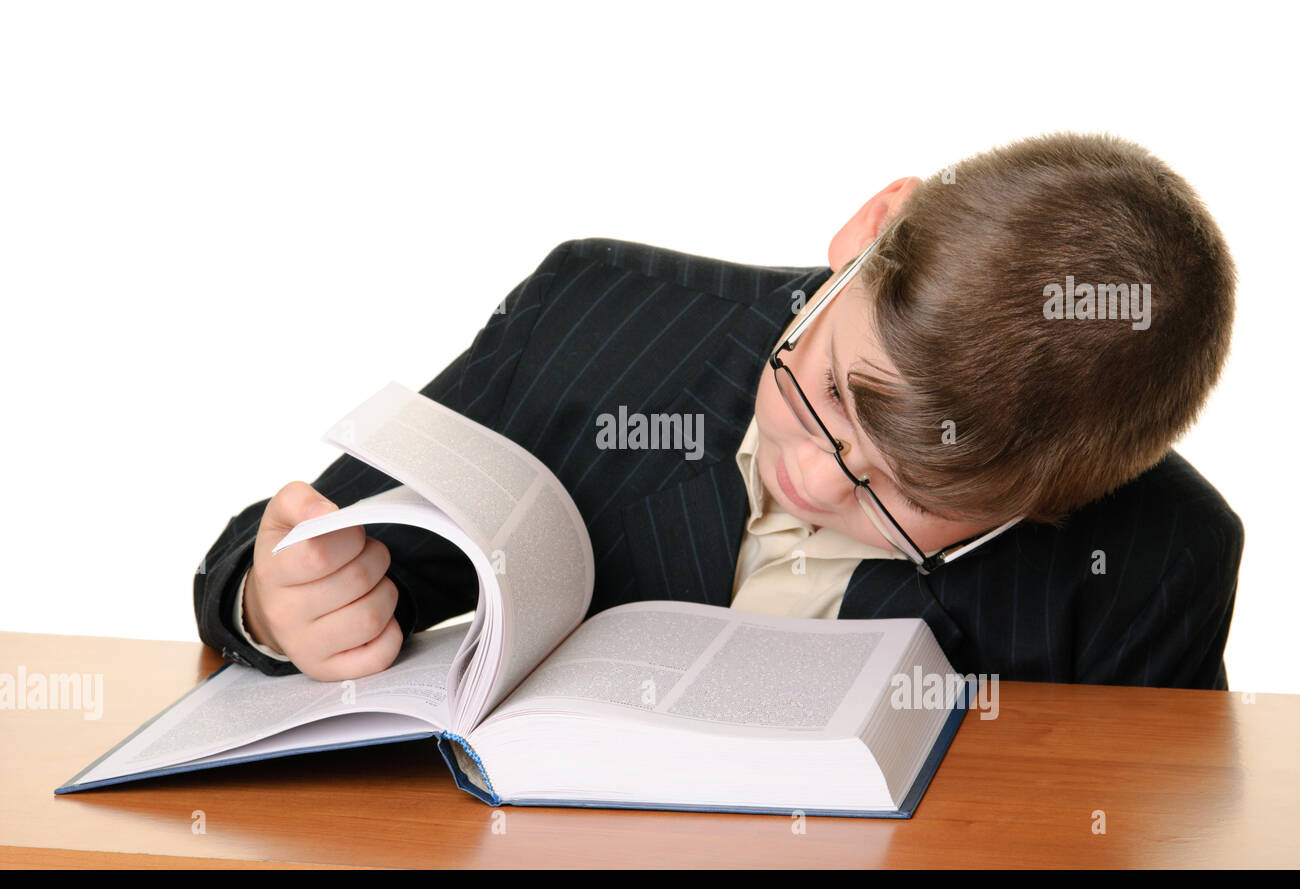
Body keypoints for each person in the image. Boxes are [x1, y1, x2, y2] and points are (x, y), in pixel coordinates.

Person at [193, 131, 1242, 689]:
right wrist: (278, 606)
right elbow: (303, 551)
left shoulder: (1156, 561)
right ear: (873, 225)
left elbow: (1158, 882)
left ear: (1067, 499)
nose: (820, 476)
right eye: (830, 389)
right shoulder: (597, 318)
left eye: (914, 486)